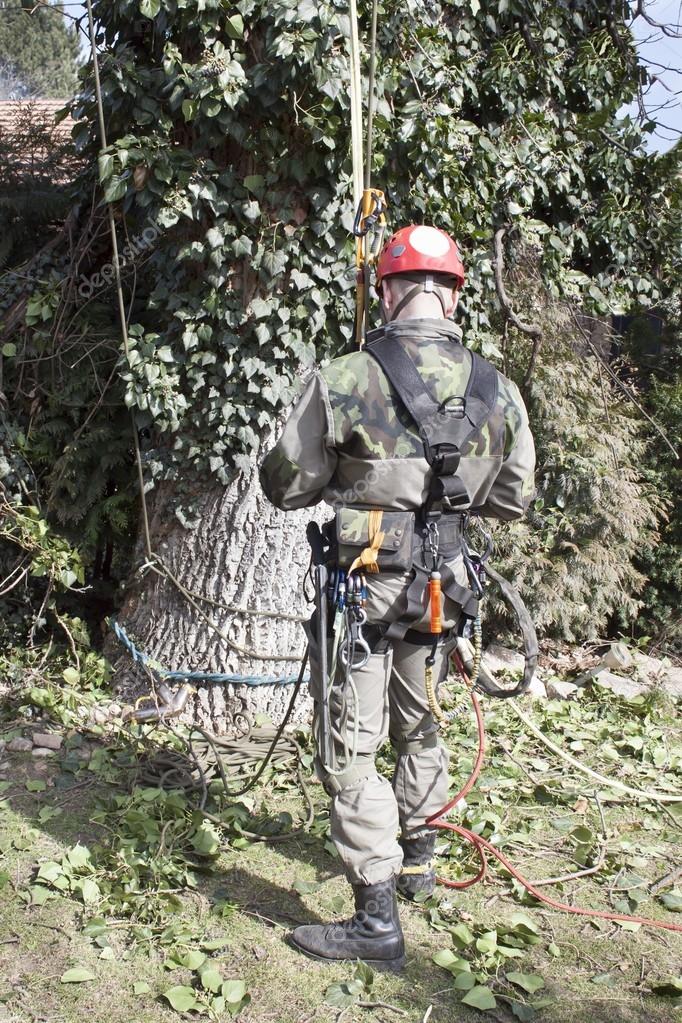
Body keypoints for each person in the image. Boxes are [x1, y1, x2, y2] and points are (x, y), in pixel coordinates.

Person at [259, 224, 535, 970]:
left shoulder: (345, 376)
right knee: (420, 720)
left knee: (350, 746)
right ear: (454, 296)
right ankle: (419, 859)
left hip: (365, 590)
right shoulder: (496, 387)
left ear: (385, 292)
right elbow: (512, 497)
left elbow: (287, 483)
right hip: (443, 587)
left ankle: (376, 918)